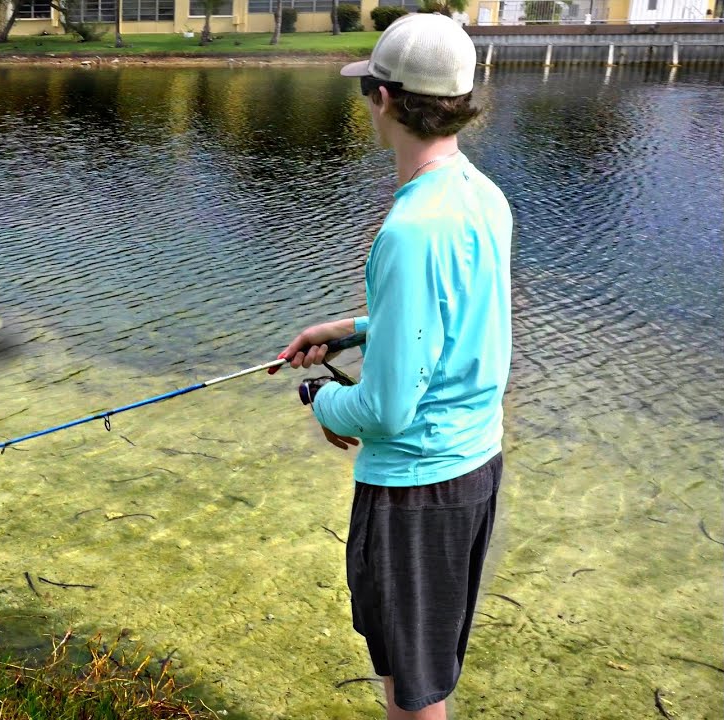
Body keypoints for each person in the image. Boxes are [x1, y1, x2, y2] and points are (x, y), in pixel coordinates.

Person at [271, 14, 513, 720]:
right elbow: (457, 321)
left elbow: (382, 412)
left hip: (416, 489)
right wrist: (351, 331)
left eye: (365, 92)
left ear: (384, 99)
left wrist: (318, 398)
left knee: (411, 693)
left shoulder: (408, 231)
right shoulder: (480, 195)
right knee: (427, 672)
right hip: (474, 468)